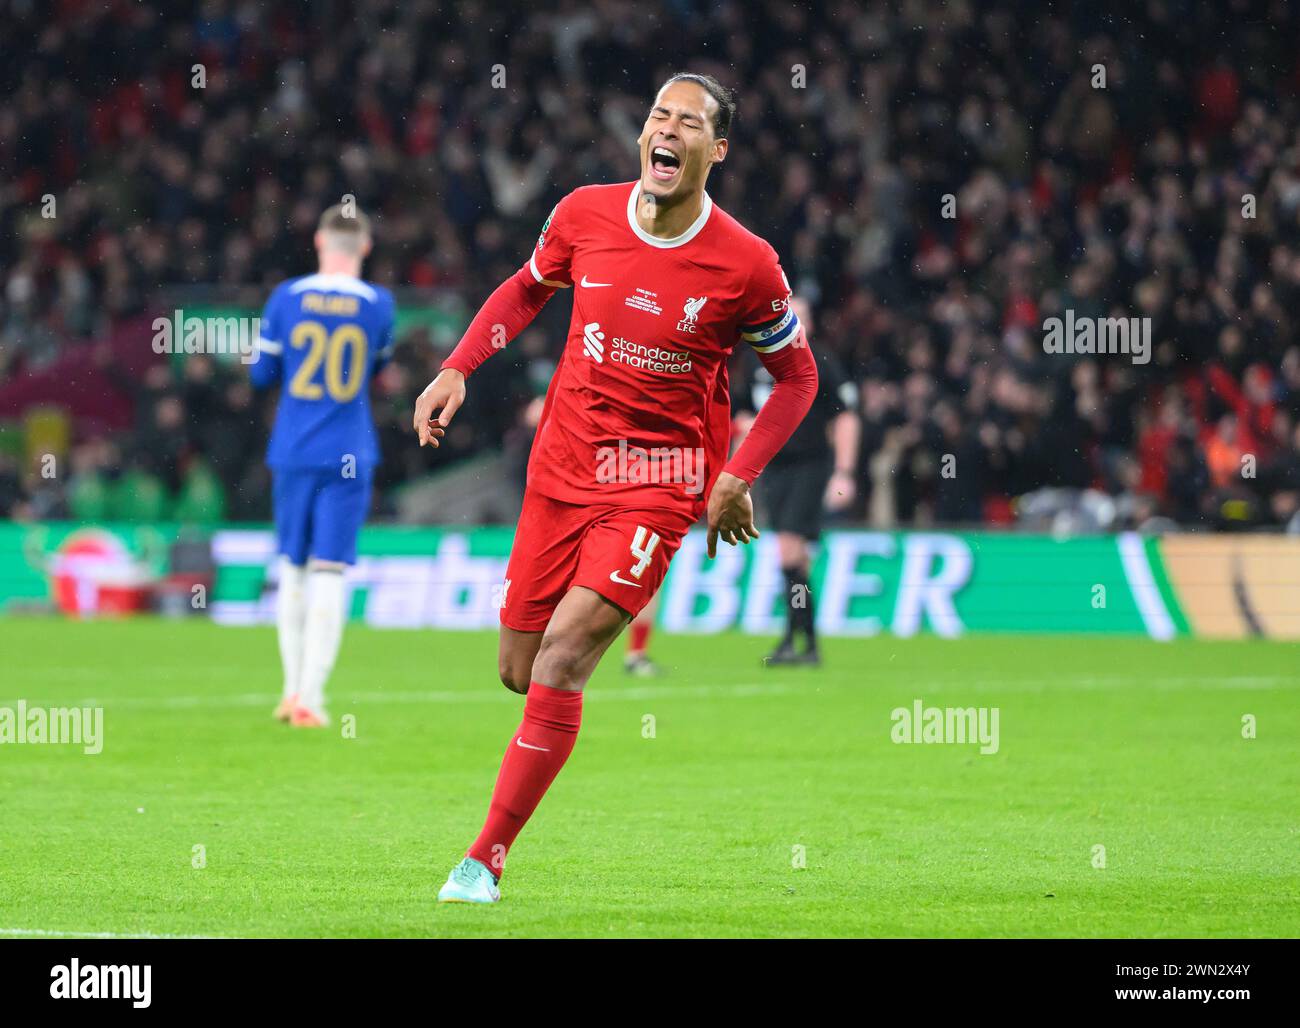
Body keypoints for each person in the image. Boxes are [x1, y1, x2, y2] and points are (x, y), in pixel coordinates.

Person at [412, 73, 817, 903]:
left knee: (562, 659)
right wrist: (458, 366)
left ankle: (482, 859)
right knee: (519, 671)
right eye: (659, 115)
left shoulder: (747, 264)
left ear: (717, 149)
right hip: (561, 465)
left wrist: (737, 475)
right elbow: (527, 288)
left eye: (690, 122)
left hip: (659, 480)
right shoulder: (582, 214)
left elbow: (798, 378)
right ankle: (536, 748)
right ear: (644, 135)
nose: (669, 129)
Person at [250, 205, 395, 727]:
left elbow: (262, 375)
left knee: (292, 566)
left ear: (318, 240)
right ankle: (312, 695)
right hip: (350, 451)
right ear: (366, 247)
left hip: (293, 450)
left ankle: (290, 691)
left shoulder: (286, 298)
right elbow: (379, 368)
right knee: (330, 568)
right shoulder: (379, 304)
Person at [731, 297, 859, 664]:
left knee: (788, 550)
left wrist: (844, 473)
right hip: (774, 468)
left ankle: (794, 641)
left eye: (802, 318)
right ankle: (807, 645)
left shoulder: (820, 360)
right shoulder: (758, 360)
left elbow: (846, 417)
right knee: (794, 557)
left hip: (809, 465)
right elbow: (740, 413)